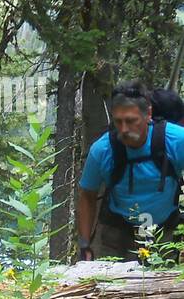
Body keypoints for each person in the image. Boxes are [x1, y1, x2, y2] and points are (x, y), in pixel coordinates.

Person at [76, 81, 184, 261]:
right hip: (116, 234)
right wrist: (84, 245)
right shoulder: (102, 150)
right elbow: (87, 195)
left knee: (161, 288)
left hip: (164, 233)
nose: (124, 129)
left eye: (131, 121)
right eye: (118, 121)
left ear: (148, 114)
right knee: (110, 287)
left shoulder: (176, 140)